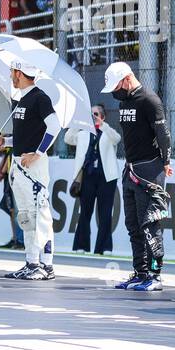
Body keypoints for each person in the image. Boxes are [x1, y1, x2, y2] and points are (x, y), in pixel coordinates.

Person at [101, 61, 172, 289]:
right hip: (130, 168)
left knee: (150, 223)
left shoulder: (150, 100)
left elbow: (163, 135)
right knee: (133, 224)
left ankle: (155, 275)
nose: (114, 92)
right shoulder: (125, 103)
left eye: (116, 86)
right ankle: (140, 272)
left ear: (127, 79)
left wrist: (166, 162)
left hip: (150, 170)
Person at [0, 60, 61, 281]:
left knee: (40, 214)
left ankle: (45, 265)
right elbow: (24, 136)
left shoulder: (40, 97)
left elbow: (54, 126)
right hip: (19, 163)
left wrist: (37, 153)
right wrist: (4, 141)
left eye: (12, 71)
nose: (10, 75)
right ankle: (31, 262)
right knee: (26, 216)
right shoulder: (20, 100)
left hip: (34, 166)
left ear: (18, 73)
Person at [65, 101, 121, 255]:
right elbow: (68, 139)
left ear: (102, 116)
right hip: (87, 176)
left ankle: (104, 247)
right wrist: (79, 122)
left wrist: (102, 124)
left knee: (105, 213)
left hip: (106, 177)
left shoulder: (107, 132)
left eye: (95, 114)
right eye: (90, 114)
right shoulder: (83, 132)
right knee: (85, 212)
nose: (93, 117)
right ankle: (81, 245)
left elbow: (117, 138)